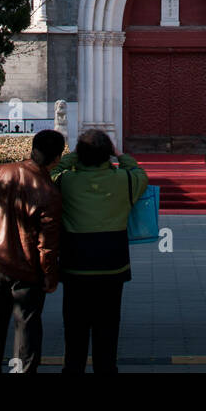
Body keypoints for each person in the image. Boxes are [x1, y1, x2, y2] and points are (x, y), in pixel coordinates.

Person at [54, 129, 148, 375]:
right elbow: (140, 172)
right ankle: (106, 368)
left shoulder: (66, 181)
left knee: (75, 326)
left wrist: (73, 156)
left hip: (76, 264)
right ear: (109, 154)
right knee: (107, 326)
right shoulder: (125, 181)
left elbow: (49, 173)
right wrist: (119, 154)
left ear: (79, 154)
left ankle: (73, 368)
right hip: (111, 265)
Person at [0, 128, 66, 374]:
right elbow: (47, 244)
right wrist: (50, 276)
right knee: (26, 324)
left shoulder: (0, 172)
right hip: (27, 268)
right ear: (57, 159)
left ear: (32, 149)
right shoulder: (49, 192)